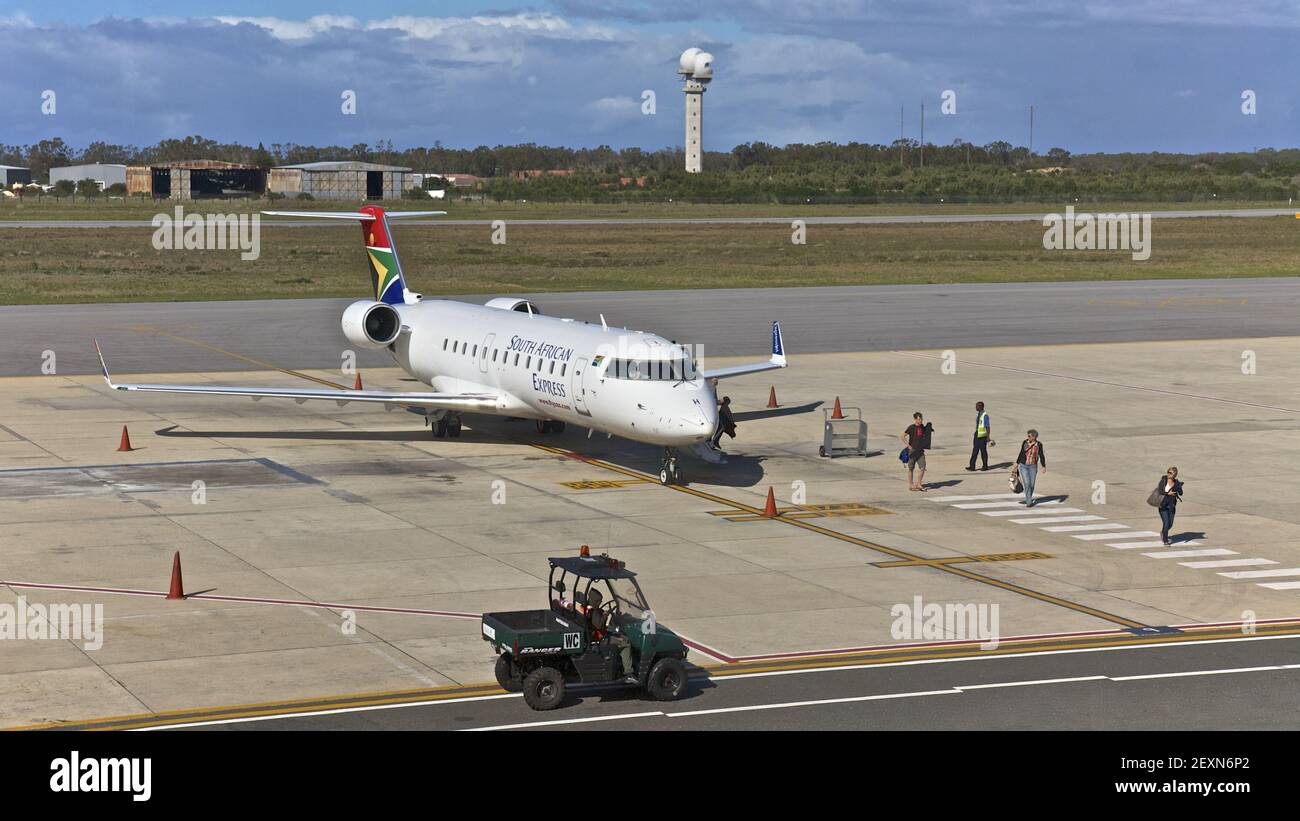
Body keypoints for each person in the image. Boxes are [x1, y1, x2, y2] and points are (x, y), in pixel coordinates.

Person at [585, 588, 635, 683]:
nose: (600, 603)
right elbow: (599, 625)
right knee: (625, 642)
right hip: (600, 639)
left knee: (621, 636)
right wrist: (606, 615)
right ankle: (628, 673)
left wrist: (604, 613)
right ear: (595, 601)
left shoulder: (588, 608)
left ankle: (620, 664)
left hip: (599, 635)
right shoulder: (593, 611)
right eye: (599, 601)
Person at [901, 412, 933, 491]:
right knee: (911, 468)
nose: (920, 420)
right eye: (919, 419)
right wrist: (908, 445)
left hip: (920, 451)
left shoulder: (922, 427)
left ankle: (919, 484)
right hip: (912, 451)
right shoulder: (911, 427)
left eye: (921, 419)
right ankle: (911, 485)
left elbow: (926, 434)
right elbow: (902, 436)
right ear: (915, 419)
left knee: (923, 467)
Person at [1014, 429, 1046, 506]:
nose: (1028, 437)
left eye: (1029, 436)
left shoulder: (1039, 445)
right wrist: (1017, 463)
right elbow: (1021, 453)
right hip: (1023, 466)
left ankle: (1028, 498)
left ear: (1034, 437)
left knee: (1032, 485)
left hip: (1033, 466)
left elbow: (1041, 455)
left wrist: (1043, 466)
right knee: (1027, 484)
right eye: (1028, 436)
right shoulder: (1025, 442)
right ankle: (1029, 502)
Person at [1156, 466, 1184, 545]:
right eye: (1168, 472)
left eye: (1170, 473)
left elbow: (1181, 494)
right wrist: (1168, 493)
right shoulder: (1163, 481)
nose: (1168, 474)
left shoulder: (1176, 483)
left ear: (1174, 474)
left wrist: (1179, 488)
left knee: (1170, 524)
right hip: (1163, 506)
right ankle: (1165, 540)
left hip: (1172, 506)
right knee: (1166, 523)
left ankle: (1163, 532)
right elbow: (1160, 490)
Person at [966, 401, 994, 471]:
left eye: (977, 406)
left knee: (983, 451)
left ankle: (985, 466)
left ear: (980, 407)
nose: (975, 407)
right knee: (975, 451)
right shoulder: (979, 414)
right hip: (977, 435)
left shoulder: (985, 415)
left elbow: (987, 427)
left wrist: (988, 437)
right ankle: (972, 466)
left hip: (982, 437)